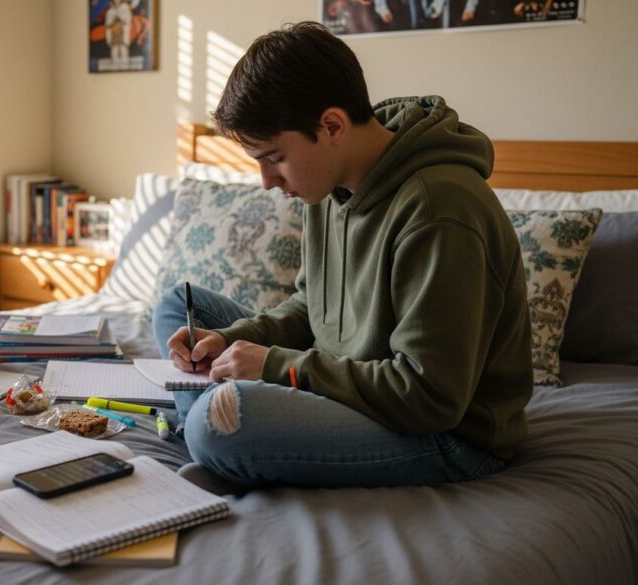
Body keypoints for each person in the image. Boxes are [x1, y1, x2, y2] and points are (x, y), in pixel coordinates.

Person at [153, 22, 532, 493]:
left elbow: (429, 398)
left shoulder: (440, 210)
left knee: (216, 424)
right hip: (348, 384)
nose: (267, 182)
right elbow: (311, 308)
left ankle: (217, 438)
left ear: (331, 125)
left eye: (274, 158)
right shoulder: (328, 186)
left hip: (446, 436)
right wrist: (228, 340)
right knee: (177, 309)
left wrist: (275, 367)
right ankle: (226, 436)